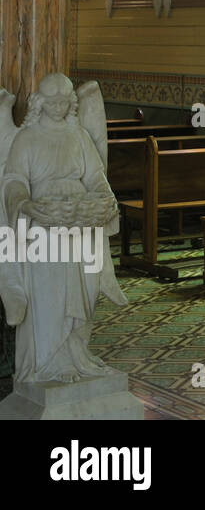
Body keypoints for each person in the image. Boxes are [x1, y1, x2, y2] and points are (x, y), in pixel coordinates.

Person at [0, 74, 126, 384]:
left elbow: (95, 175)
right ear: (40, 103)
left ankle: (76, 355)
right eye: (52, 102)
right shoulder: (26, 138)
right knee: (47, 296)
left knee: (82, 293)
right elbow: (13, 179)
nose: (58, 108)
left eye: (64, 102)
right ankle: (45, 365)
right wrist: (24, 204)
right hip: (43, 228)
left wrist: (104, 194)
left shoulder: (79, 136)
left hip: (79, 224)